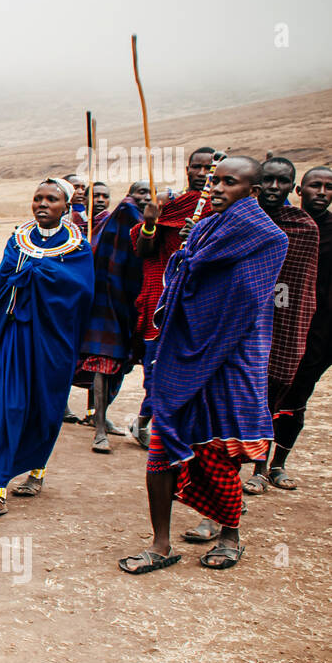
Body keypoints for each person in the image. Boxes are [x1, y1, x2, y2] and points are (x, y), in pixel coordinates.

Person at [119, 157, 287, 575]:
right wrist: (187, 257)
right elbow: (180, 273)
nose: (216, 189)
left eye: (229, 183)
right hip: (183, 348)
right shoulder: (207, 228)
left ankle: (230, 535)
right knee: (162, 440)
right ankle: (160, 542)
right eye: (215, 180)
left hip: (230, 355)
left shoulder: (267, 237)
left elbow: (245, 299)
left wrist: (192, 262)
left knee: (219, 450)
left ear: (252, 190)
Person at [0, 180, 94, 517]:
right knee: (6, 405)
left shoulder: (78, 247)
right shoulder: (18, 239)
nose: (42, 204)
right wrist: (25, 275)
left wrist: (40, 272)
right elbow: (2, 282)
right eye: (37, 198)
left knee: (45, 406)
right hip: (12, 334)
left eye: (51, 199)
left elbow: (80, 292)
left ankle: (37, 468)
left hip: (51, 340)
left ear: (66, 206)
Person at [221, 159, 317, 503]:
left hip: (287, 324)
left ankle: (263, 468)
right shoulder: (237, 220)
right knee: (238, 401)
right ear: (257, 186)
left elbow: (302, 289)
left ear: (293, 188)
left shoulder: (303, 228)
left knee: (274, 399)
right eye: (269, 180)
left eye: (283, 181)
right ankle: (232, 477)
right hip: (242, 326)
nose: (276, 187)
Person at [129, 147, 219, 447]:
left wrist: (203, 235)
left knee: (189, 369)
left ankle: (169, 426)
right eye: (198, 167)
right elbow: (144, 251)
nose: (204, 174)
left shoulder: (223, 211)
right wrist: (151, 223)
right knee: (156, 366)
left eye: (211, 169)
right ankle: (147, 421)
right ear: (187, 169)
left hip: (200, 301)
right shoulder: (171, 204)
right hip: (162, 296)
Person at [267, 166, 332, 489]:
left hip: (320, 330)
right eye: (315, 186)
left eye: (329, 187)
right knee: (267, 393)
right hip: (281, 321)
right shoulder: (281, 224)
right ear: (299, 190)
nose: (322, 192)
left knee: (297, 397)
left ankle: (278, 464)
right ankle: (255, 467)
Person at [72, 181, 150, 452]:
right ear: (130, 195)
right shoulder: (123, 217)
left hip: (131, 304)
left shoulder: (145, 221)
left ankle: (100, 416)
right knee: (102, 364)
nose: (144, 198)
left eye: (149, 194)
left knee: (118, 364)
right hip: (107, 302)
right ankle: (100, 429)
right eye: (140, 193)